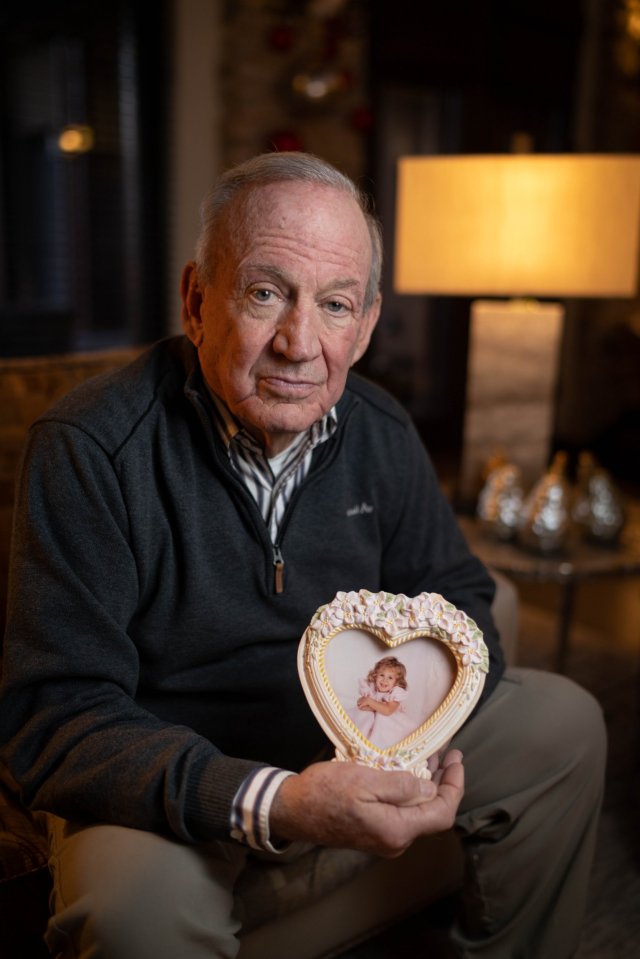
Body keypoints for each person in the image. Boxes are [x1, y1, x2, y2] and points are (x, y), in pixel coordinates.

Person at [0, 151, 606, 958]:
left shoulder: (383, 430)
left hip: (358, 734)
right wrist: (272, 800)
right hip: (179, 776)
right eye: (264, 293)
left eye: (334, 304)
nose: (299, 341)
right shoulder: (89, 448)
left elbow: (458, 591)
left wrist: (409, 734)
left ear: (366, 325)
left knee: (564, 721)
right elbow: (58, 713)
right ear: (196, 300)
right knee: (134, 912)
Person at [348, 655, 417, 748]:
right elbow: (361, 704)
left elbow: (387, 710)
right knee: (364, 715)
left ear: (396, 682)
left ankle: (378, 746)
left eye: (390, 678)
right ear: (375, 675)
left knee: (381, 716)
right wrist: (367, 702)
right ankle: (359, 743)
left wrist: (370, 702)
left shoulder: (394, 694)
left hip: (389, 724)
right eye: (382, 675)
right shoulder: (371, 689)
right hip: (372, 722)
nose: (385, 680)